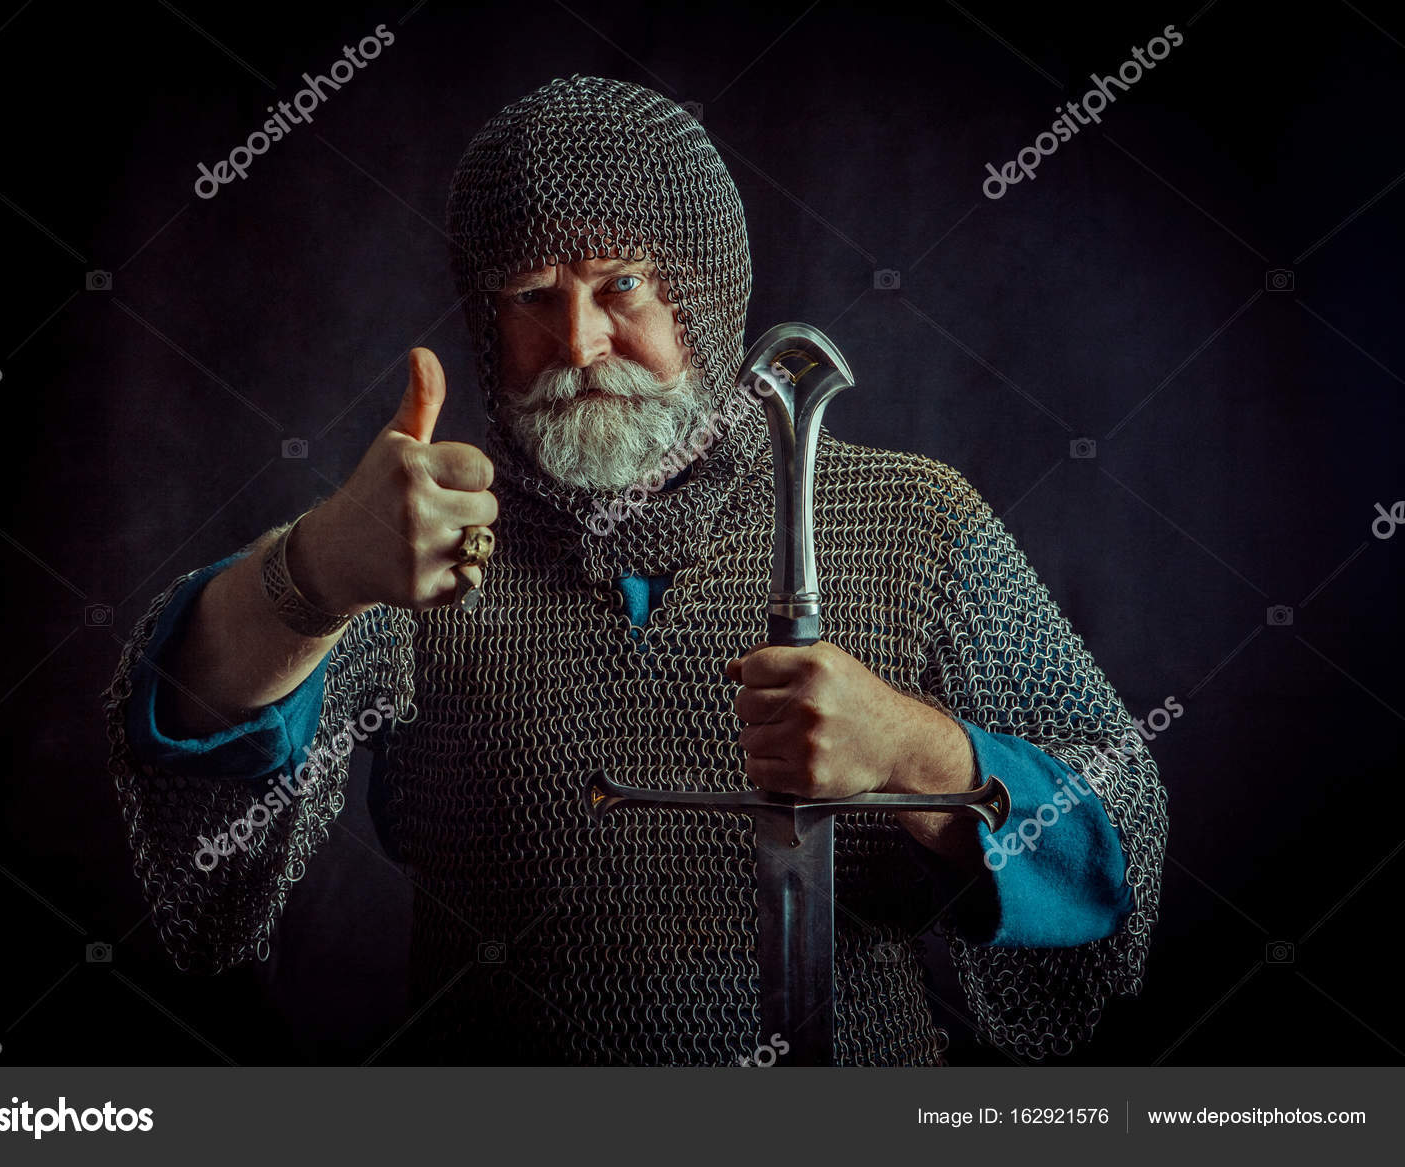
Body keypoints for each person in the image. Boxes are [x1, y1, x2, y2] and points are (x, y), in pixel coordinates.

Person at [104, 74, 1166, 1065]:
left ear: (701, 292)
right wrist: (315, 573)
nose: (577, 341)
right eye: (531, 295)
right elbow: (198, 778)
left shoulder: (907, 521)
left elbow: (1114, 833)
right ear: (484, 319)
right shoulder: (418, 547)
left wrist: (918, 756)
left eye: (622, 284)